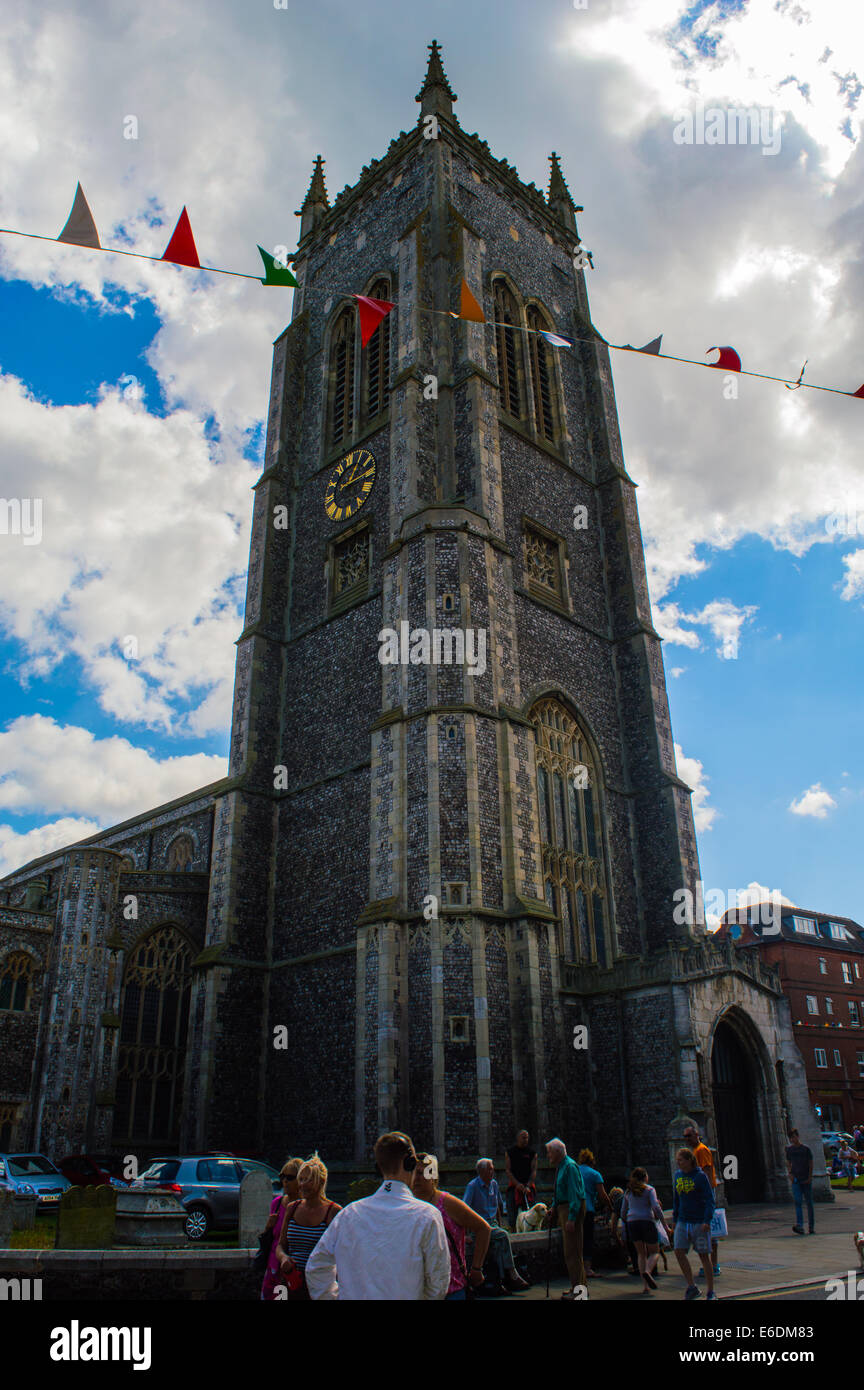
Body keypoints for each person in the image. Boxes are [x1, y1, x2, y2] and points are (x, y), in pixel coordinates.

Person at [304, 1131, 451, 1300]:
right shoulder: (427, 1216)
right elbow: (438, 1281)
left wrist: (334, 1297)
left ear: (379, 1167)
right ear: (410, 1163)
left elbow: (316, 1266)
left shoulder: (348, 1214)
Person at [412, 1152, 491, 1299]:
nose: (416, 1178)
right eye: (413, 1173)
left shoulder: (447, 1203)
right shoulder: (408, 1205)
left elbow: (483, 1228)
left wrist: (476, 1268)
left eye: (422, 1173)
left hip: (452, 1289)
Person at [274, 1155, 341, 1300]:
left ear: (321, 1182)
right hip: (292, 1282)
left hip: (320, 1286)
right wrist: (284, 1258)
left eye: (308, 1180)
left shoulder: (333, 1211)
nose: (302, 1184)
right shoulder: (293, 1208)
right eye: (301, 1179)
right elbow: (280, 1245)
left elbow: (342, 1252)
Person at [463, 1159, 528, 1293]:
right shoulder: (473, 1186)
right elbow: (464, 1210)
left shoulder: (494, 1184)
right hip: (480, 1227)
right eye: (489, 1169)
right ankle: (513, 1273)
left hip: (493, 1225)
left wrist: (499, 1224)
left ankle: (500, 1282)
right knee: (503, 1236)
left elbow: (498, 1206)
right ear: (481, 1172)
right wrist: (466, 1234)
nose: (492, 1171)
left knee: (499, 1244)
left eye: (492, 1168)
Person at [671, 1147, 716, 1301]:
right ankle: (691, 1287)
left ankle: (711, 1292)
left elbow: (710, 1200)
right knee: (678, 1251)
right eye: (677, 1160)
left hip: (699, 1222)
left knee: (704, 1256)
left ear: (689, 1160)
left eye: (680, 1160)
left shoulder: (700, 1176)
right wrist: (675, 1219)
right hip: (683, 1221)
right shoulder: (677, 1176)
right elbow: (676, 1199)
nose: (678, 1163)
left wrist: (707, 1220)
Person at [545, 1137, 587, 1299]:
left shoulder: (569, 1166)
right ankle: (578, 1290)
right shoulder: (561, 1166)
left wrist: (571, 1218)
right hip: (563, 1208)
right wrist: (554, 1207)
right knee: (572, 1252)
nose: (548, 1155)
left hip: (571, 1209)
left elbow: (575, 1194)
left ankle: (579, 1293)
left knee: (573, 1253)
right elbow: (560, 1191)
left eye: (549, 1152)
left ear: (557, 1152)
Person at [618, 1167, 668, 1293]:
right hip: (647, 1221)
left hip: (632, 1223)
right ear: (645, 1177)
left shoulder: (628, 1192)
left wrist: (626, 1221)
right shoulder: (650, 1189)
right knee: (654, 1252)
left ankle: (645, 1286)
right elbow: (656, 1207)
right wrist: (665, 1225)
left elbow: (623, 1211)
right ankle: (648, 1271)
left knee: (641, 1254)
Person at [260, 1156, 302, 1301]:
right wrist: (268, 1226)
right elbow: (269, 1236)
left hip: (294, 1270)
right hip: (273, 1268)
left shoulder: (305, 1207)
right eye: (282, 1176)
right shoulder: (276, 1204)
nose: (285, 1181)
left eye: (290, 1177)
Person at [683, 1123, 721, 1277]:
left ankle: (714, 1265)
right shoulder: (694, 1152)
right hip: (700, 1194)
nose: (687, 1139)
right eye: (685, 1137)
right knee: (704, 1230)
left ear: (697, 1135)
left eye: (689, 1136)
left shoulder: (702, 1150)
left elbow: (705, 1173)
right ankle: (710, 1265)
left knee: (708, 1229)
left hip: (705, 1194)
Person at [577, 1148, 611, 1278]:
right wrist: (610, 1206)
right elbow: (603, 1195)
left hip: (574, 1210)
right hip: (588, 1209)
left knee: (577, 1240)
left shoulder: (575, 1171)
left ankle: (577, 1269)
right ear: (592, 1161)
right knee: (587, 1239)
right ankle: (587, 1269)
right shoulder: (595, 1174)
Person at [504, 1130, 537, 1229]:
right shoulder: (510, 1152)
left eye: (527, 1137)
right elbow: (508, 1170)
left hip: (528, 1187)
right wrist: (517, 1184)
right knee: (512, 1217)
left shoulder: (532, 1153)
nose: (525, 1140)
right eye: (523, 1137)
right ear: (518, 1138)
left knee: (531, 1215)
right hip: (514, 1187)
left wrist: (528, 1185)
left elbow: (534, 1170)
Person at [785, 1128, 814, 1235]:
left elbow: (810, 1163)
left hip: (806, 1178)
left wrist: (810, 1177)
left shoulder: (805, 1149)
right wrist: (790, 1174)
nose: (792, 1139)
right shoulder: (790, 1150)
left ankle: (811, 1226)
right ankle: (800, 1225)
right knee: (798, 1202)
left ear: (798, 1136)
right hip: (796, 1179)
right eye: (791, 1138)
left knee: (809, 1203)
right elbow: (788, 1162)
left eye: (794, 1137)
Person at [609, 1185, 639, 1276]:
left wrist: (619, 1241)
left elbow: (613, 1227)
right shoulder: (631, 1196)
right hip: (644, 1221)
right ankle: (651, 1268)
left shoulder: (618, 1203)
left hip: (630, 1226)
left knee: (632, 1248)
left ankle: (637, 1268)